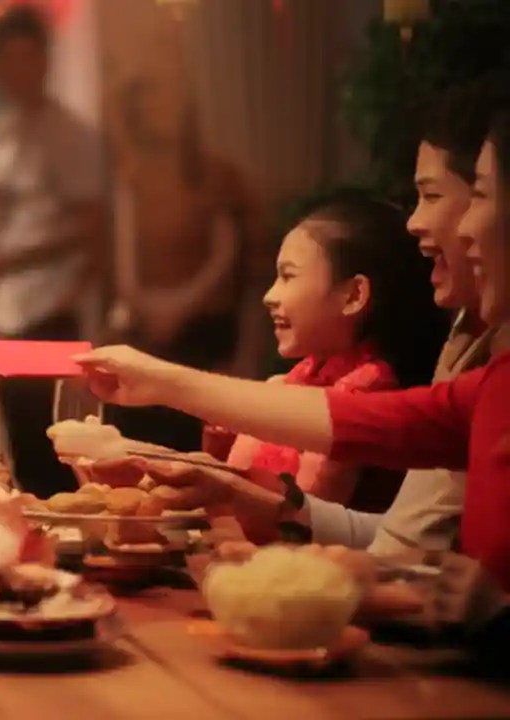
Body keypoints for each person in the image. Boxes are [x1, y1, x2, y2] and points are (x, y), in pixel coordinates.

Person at [72, 109, 510, 596]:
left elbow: (371, 435)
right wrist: (228, 490)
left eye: (437, 196)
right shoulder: (476, 358)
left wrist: (165, 385)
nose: (414, 222)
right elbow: (395, 541)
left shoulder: (407, 377)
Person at [217, 191, 447, 511]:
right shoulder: (300, 378)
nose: (270, 295)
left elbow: (297, 515)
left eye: (288, 276)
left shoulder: (365, 394)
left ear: (354, 295)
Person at [0, 6, 105, 497]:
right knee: (14, 447)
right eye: (7, 60)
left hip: (53, 308)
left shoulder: (72, 136)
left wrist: (21, 261)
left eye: (29, 57)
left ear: (46, 60)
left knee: (56, 448)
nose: (19, 70)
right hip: (3, 308)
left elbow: (93, 232)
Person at [100, 72, 261, 453]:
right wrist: (145, 305)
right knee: (138, 443)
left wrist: (180, 305)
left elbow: (228, 256)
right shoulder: (130, 178)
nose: (154, 112)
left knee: (195, 445)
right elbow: (122, 256)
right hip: (146, 330)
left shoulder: (218, 175)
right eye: (145, 104)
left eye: (163, 102)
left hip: (204, 332)